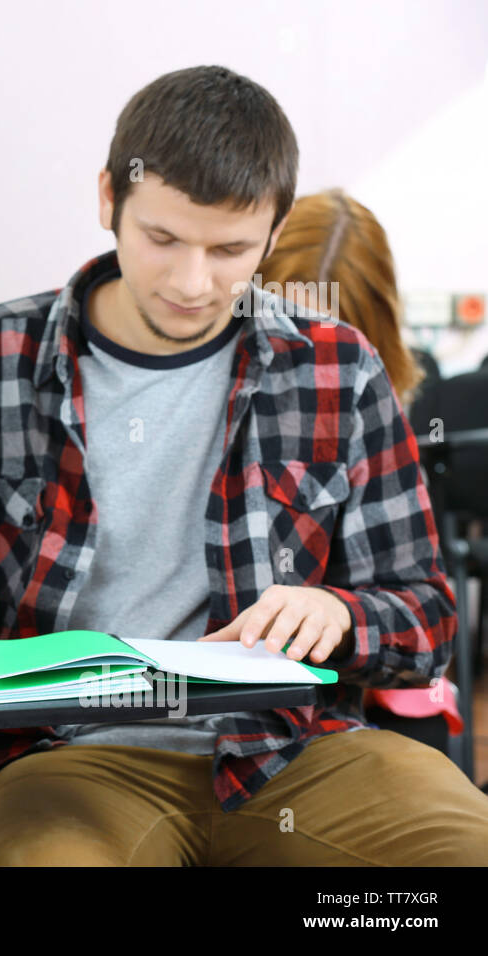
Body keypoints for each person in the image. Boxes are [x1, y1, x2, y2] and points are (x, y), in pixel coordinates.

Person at [0, 65, 488, 864]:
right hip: (63, 762)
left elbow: (426, 614)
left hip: (293, 755)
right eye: (163, 239)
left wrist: (341, 616)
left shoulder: (338, 369)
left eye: (230, 251)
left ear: (275, 228)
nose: (193, 282)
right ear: (109, 197)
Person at [256, 189, 466, 745]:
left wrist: (344, 616)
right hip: (260, 673)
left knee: (422, 718)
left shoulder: (380, 397)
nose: (315, 362)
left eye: (338, 339)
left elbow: (420, 615)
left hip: (364, 665)